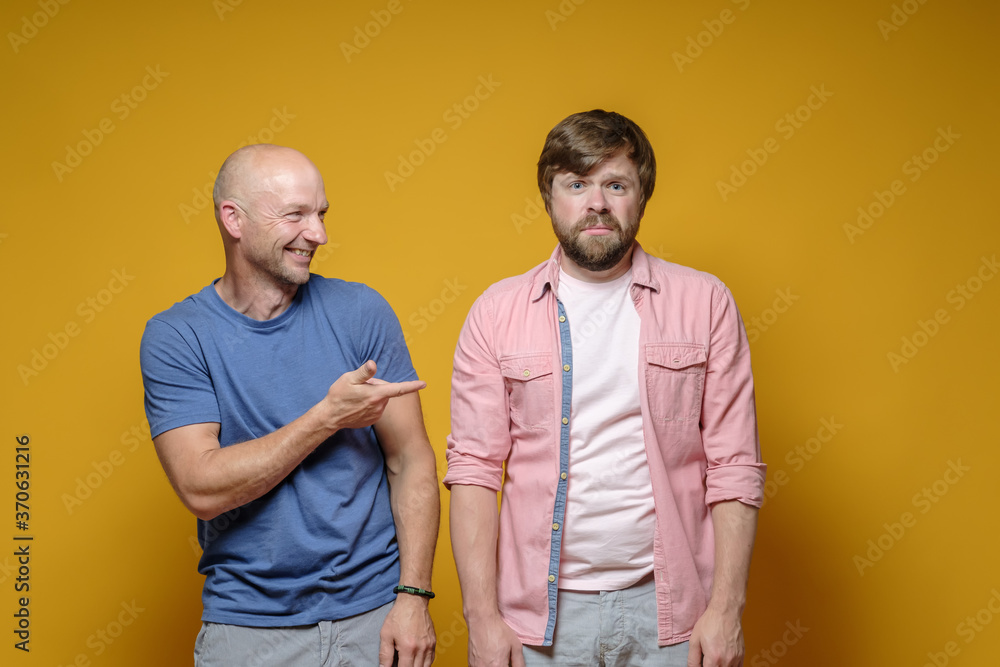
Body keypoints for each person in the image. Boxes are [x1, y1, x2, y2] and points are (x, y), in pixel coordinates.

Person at [444, 110, 766, 667]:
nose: (597, 203)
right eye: (576, 184)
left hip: (673, 614)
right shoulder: (496, 314)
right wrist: (483, 620)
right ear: (550, 197)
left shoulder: (705, 303)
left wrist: (726, 611)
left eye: (615, 185)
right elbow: (474, 470)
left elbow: (734, 464)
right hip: (539, 621)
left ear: (641, 197)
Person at [140, 144, 439, 667]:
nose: (318, 234)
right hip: (249, 633)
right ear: (233, 219)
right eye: (296, 215)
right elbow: (201, 487)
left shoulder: (362, 312)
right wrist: (327, 418)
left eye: (321, 214)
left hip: (376, 620)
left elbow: (410, 460)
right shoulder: (177, 336)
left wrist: (413, 598)